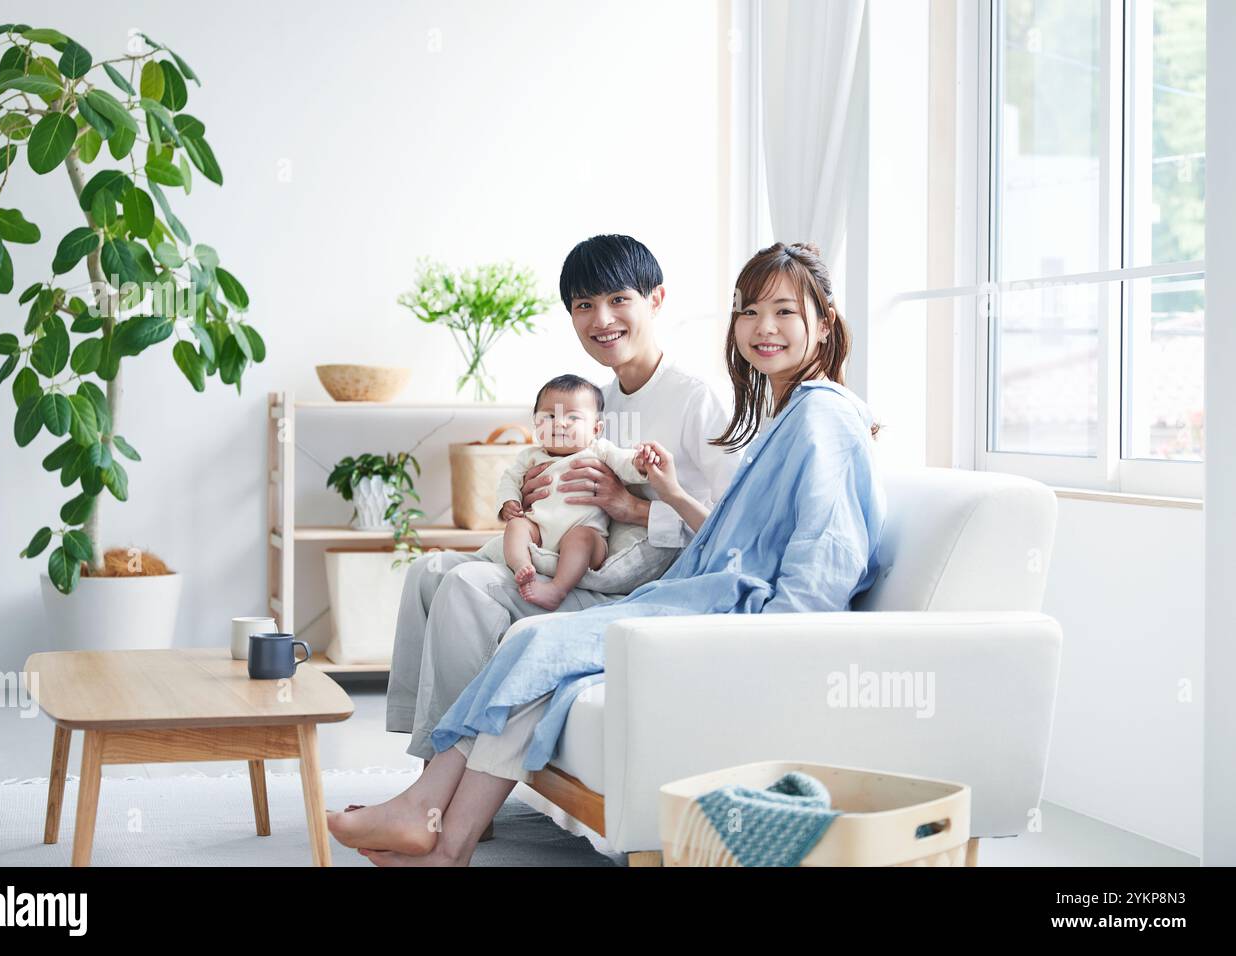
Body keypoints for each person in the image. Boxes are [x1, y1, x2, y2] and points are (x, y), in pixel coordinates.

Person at [330, 241, 887, 866]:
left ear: (825, 319)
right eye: (749, 311)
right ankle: (441, 837)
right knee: (512, 627)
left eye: (785, 312)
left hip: (718, 613)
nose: (764, 329)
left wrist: (768, 650)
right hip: (690, 597)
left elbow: (826, 557)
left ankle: (433, 829)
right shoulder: (786, 411)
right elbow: (740, 534)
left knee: (536, 640)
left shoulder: (822, 418)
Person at [384, 235, 741, 768]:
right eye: (584, 305)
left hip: (641, 581)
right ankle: (428, 749)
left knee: (463, 584)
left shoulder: (698, 398)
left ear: (656, 300)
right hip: (572, 550)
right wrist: (529, 495)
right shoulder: (599, 399)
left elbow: (735, 525)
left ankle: (446, 773)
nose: (602, 318)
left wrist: (634, 508)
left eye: (619, 299)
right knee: (428, 571)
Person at [497, 374, 657, 611]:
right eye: (550, 416)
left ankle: (556, 589)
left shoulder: (599, 450)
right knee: (517, 526)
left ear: (595, 428)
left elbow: (624, 463)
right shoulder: (530, 456)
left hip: (586, 535)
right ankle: (522, 565)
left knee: (580, 537)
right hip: (538, 531)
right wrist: (509, 501)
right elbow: (509, 479)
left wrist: (640, 463)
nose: (560, 424)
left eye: (573, 417)